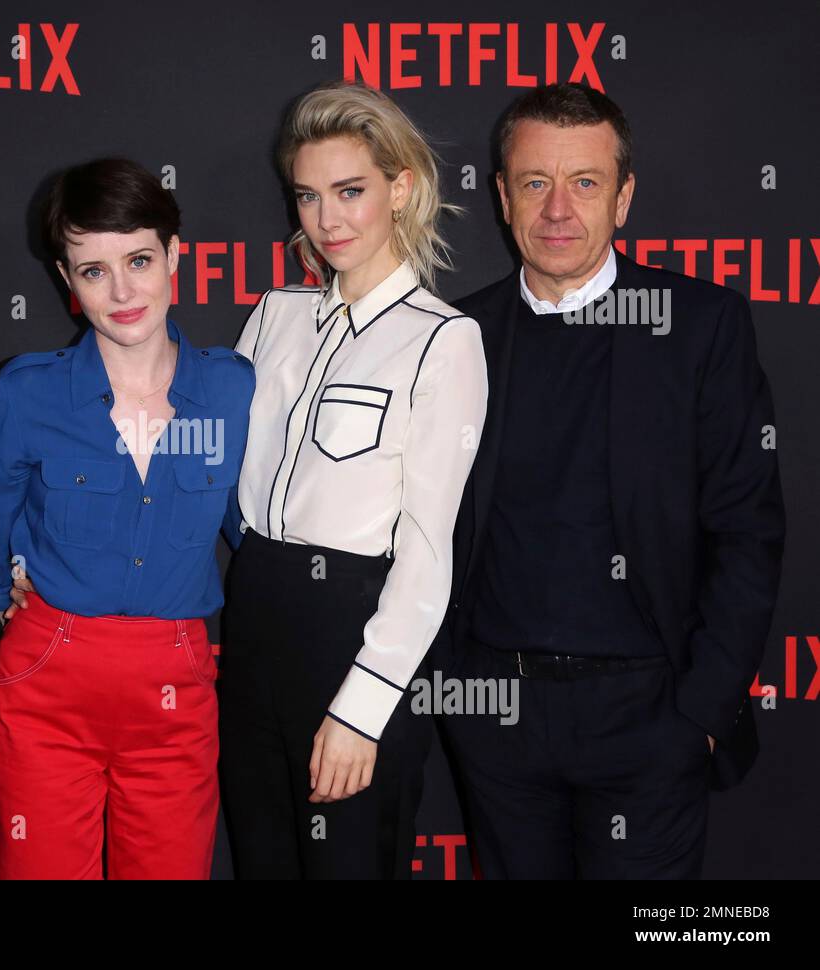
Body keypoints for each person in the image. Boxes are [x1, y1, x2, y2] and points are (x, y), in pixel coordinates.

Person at [437, 83, 785, 878]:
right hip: (497, 718)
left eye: (585, 182)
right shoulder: (457, 337)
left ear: (624, 198)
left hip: (651, 718)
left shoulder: (700, 326)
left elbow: (748, 531)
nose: (558, 209)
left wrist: (700, 713)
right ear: (501, 196)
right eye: (535, 183)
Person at [220, 81, 488, 878]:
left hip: (354, 631)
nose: (327, 219)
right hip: (254, 620)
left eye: (350, 192)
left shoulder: (444, 341)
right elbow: (203, 475)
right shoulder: (274, 315)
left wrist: (363, 709)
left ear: (401, 188)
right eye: (308, 196)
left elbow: (428, 553)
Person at [0, 158, 254, 879]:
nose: (122, 292)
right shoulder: (25, 396)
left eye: (139, 260)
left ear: (175, 255)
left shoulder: (232, 390)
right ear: (66, 281)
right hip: (44, 691)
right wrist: (11, 609)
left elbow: (260, 532)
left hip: (176, 692)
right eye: (93, 271)